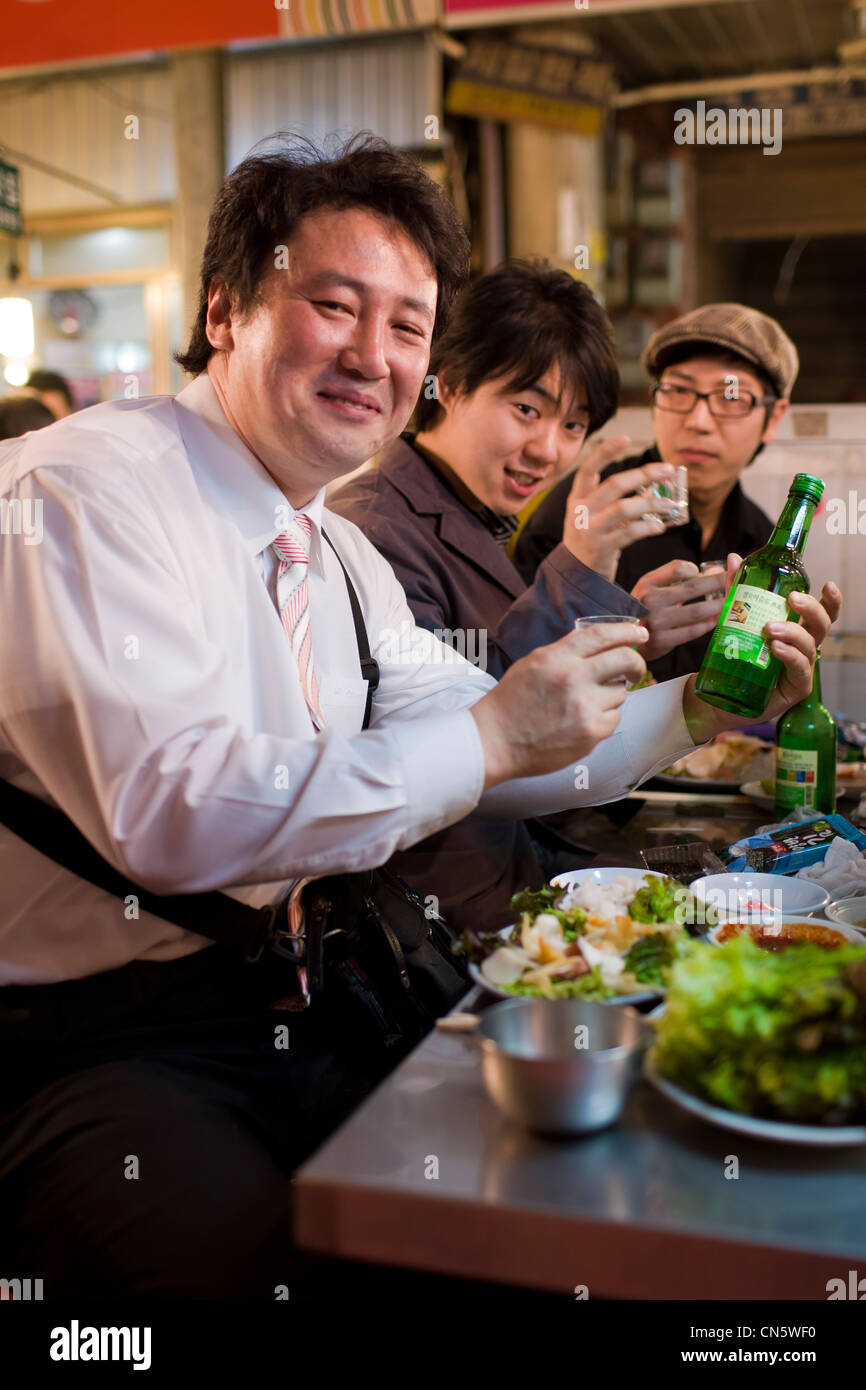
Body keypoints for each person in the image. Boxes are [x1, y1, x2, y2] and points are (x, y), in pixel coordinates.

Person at [0, 134, 836, 1300]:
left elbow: (503, 745)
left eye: (405, 326)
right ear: (226, 309)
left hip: (315, 989)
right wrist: (493, 734)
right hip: (101, 1041)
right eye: (333, 305)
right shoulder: (86, 490)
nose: (373, 354)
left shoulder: (337, 551)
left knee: (537, 1215)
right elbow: (168, 814)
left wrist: (692, 707)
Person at [328, 262, 736, 927]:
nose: (547, 449)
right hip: (431, 922)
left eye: (574, 425)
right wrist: (580, 562)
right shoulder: (374, 527)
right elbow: (466, 734)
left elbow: (523, 675)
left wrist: (635, 630)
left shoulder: (474, 513)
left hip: (514, 877)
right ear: (451, 383)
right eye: (527, 409)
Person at [514, 303, 796, 683]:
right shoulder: (591, 507)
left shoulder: (762, 545)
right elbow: (509, 667)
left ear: (772, 418)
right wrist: (626, 636)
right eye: (678, 391)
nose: (697, 422)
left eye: (731, 397)